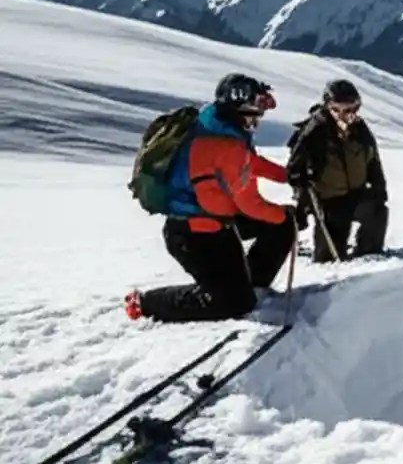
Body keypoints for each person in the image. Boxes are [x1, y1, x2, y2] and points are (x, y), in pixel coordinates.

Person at [126, 74, 298, 322]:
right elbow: (249, 204)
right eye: (255, 111)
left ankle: (250, 289)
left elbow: (249, 164)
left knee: (278, 229)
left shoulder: (217, 130)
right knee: (230, 304)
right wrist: (284, 213)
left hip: (212, 224)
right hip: (195, 235)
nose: (258, 119)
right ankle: (146, 303)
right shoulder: (225, 145)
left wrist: (286, 175)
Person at [286, 79, 389, 262]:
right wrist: (303, 205)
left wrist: (379, 191)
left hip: (357, 194)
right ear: (328, 107)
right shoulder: (315, 131)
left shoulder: (360, 129)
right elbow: (295, 170)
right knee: (329, 258)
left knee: (377, 211)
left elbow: (373, 161)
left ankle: (367, 255)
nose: (343, 115)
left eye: (349, 109)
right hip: (329, 202)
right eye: (337, 109)